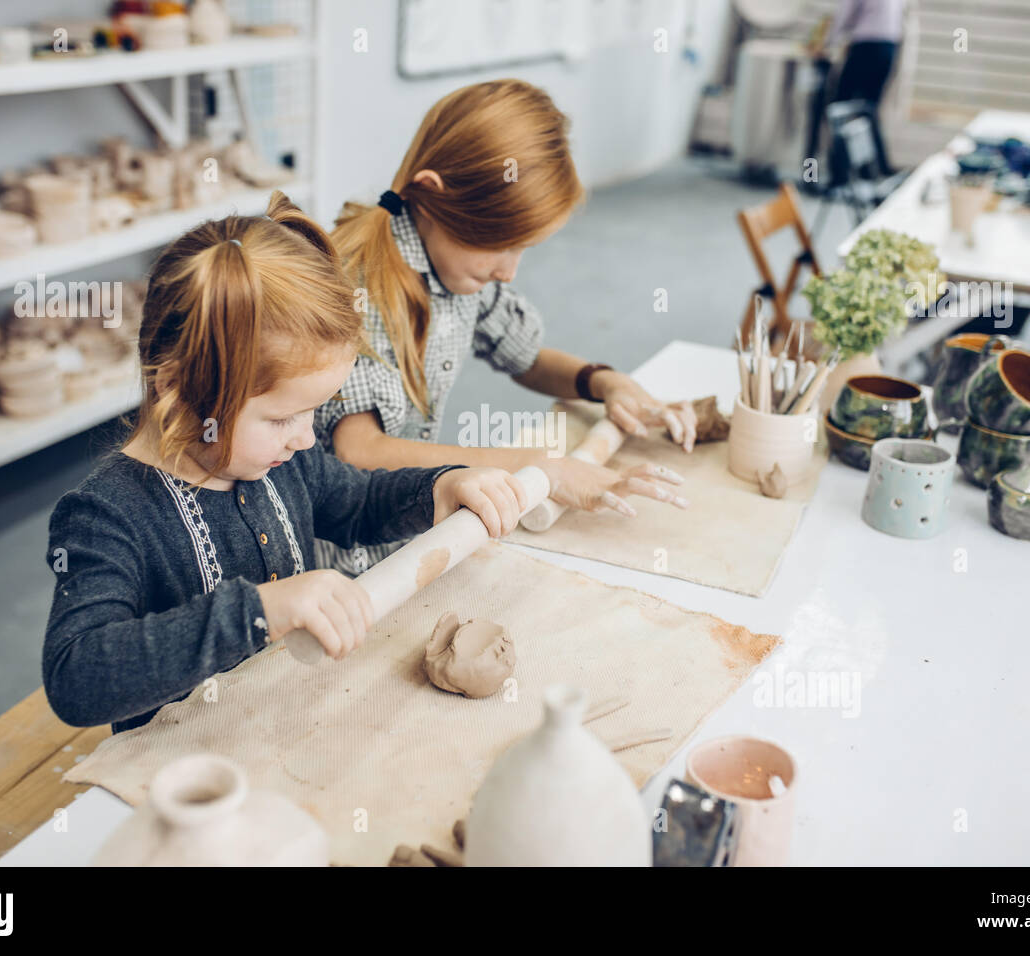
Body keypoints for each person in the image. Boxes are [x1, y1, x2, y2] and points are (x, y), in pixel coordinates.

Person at [43, 192, 528, 731]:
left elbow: (357, 503)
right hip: (183, 777)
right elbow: (76, 676)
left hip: (284, 729)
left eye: (314, 412)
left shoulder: (280, 462)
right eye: (281, 419)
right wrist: (262, 609)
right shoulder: (107, 515)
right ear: (179, 392)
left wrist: (441, 487)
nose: (304, 437)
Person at [316, 79, 697, 575]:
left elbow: (528, 357)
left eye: (521, 249)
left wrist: (605, 382)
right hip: (346, 559)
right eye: (499, 245)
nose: (509, 272)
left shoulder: (452, 261)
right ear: (432, 195)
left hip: (412, 522)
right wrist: (538, 468)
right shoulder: (357, 287)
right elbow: (360, 450)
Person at [827, 0, 905, 181]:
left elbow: (845, 13)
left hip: (866, 45)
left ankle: (839, 174)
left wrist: (830, 42)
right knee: (868, 109)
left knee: (840, 108)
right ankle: (873, 169)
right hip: (889, 46)